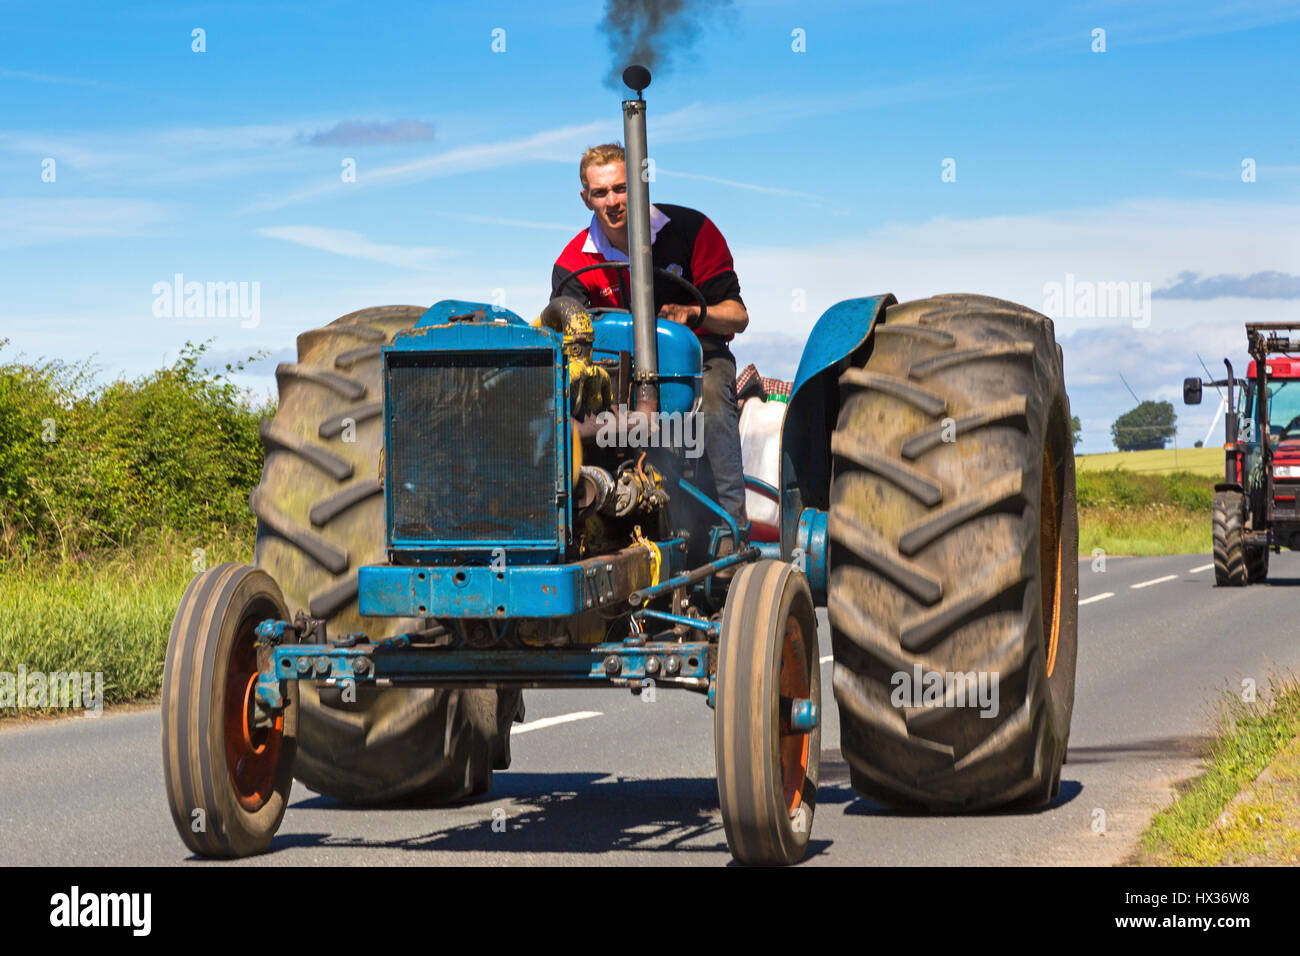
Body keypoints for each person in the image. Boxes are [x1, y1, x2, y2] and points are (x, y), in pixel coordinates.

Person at [551, 143, 749, 539]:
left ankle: (732, 531)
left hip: (694, 362)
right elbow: (567, 333)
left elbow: (738, 316)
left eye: (621, 188)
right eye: (601, 192)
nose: (613, 201)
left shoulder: (692, 231)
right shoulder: (573, 263)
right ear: (585, 198)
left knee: (709, 396)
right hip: (616, 374)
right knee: (566, 409)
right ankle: (581, 521)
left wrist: (694, 313)